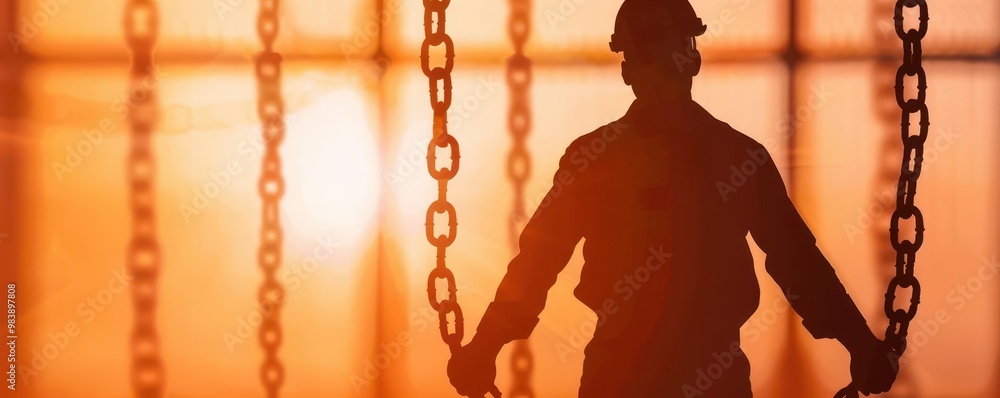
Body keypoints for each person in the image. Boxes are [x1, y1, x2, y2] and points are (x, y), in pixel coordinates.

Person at [447, 0, 899, 396]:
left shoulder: (600, 158)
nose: (662, 67)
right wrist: (860, 345)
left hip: (628, 375)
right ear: (692, 59)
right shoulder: (735, 157)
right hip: (703, 373)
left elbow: (537, 263)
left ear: (628, 68)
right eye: (655, 53)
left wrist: (484, 348)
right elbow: (797, 261)